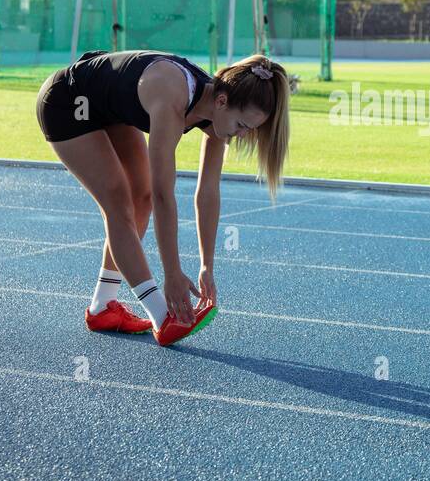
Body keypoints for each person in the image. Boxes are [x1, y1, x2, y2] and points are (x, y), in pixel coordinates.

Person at [35, 49, 290, 345]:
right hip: (69, 101)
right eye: (242, 126)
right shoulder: (173, 99)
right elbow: (163, 193)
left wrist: (207, 265)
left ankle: (102, 306)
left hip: (108, 105)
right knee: (119, 203)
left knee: (139, 198)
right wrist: (172, 273)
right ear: (222, 102)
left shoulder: (219, 111)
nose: (243, 136)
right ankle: (162, 316)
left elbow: (208, 192)